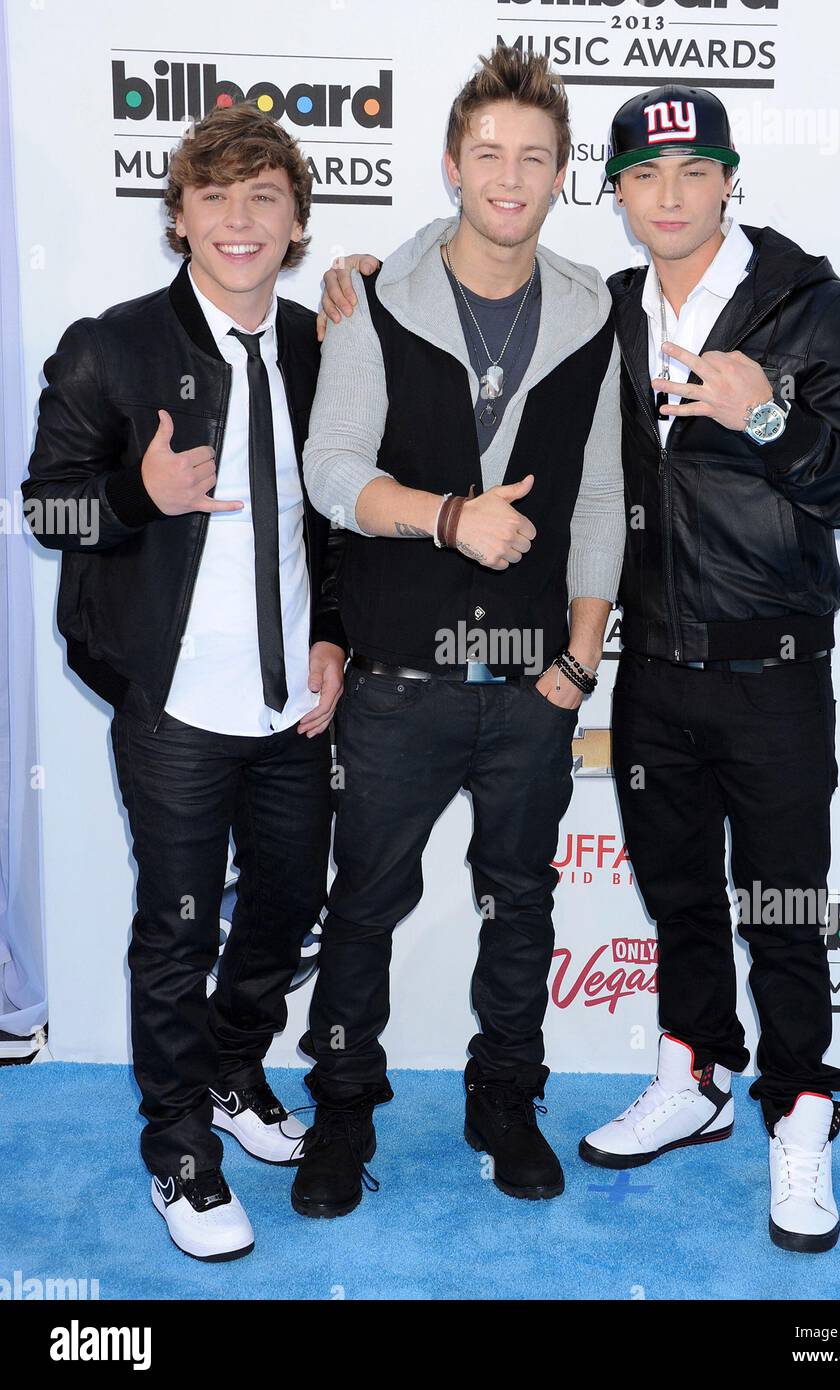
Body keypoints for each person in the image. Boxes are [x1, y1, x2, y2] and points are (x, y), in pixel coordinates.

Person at [319, 83, 840, 1252]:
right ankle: (693, 1077)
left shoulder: (807, 306)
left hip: (774, 663)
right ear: (617, 193)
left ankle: (800, 1107)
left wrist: (771, 416)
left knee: (778, 907)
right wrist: (357, 283)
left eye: (693, 174)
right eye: (644, 177)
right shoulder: (609, 307)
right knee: (679, 901)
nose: (670, 196)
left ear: (731, 178)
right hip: (656, 675)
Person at [293, 44, 624, 1220]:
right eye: (487, 152)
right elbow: (330, 469)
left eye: (533, 157)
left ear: (559, 175)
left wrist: (577, 664)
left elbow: (595, 501)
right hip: (395, 684)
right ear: (450, 165)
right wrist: (446, 518)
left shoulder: (593, 313)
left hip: (527, 690)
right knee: (364, 905)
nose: (508, 174)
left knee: (519, 903)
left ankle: (504, 1101)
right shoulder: (374, 297)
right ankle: (340, 1110)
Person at [23, 102, 347, 1262]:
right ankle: (178, 1151)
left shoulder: (321, 346)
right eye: (213, 198)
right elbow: (43, 507)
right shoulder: (111, 345)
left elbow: (345, 522)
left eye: (263, 196)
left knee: (285, 905)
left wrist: (336, 641)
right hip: (172, 701)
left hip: (289, 701)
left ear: (297, 219)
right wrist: (136, 497)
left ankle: (228, 1066)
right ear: (179, 219)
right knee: (174, 929)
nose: (239, 220)